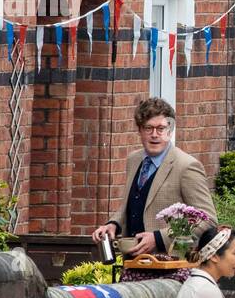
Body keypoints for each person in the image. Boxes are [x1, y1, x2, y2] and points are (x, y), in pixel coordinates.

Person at [92, 97, 216, 258]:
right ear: (139, 130)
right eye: (148, 128)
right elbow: (132, 205)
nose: (155, 135)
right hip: (132, 264)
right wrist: (113, 224)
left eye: (161, 128)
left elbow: (208, 220)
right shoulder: (133, 160)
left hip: (169, 266)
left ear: (170, 130)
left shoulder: (187, 166)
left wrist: (159, 238)